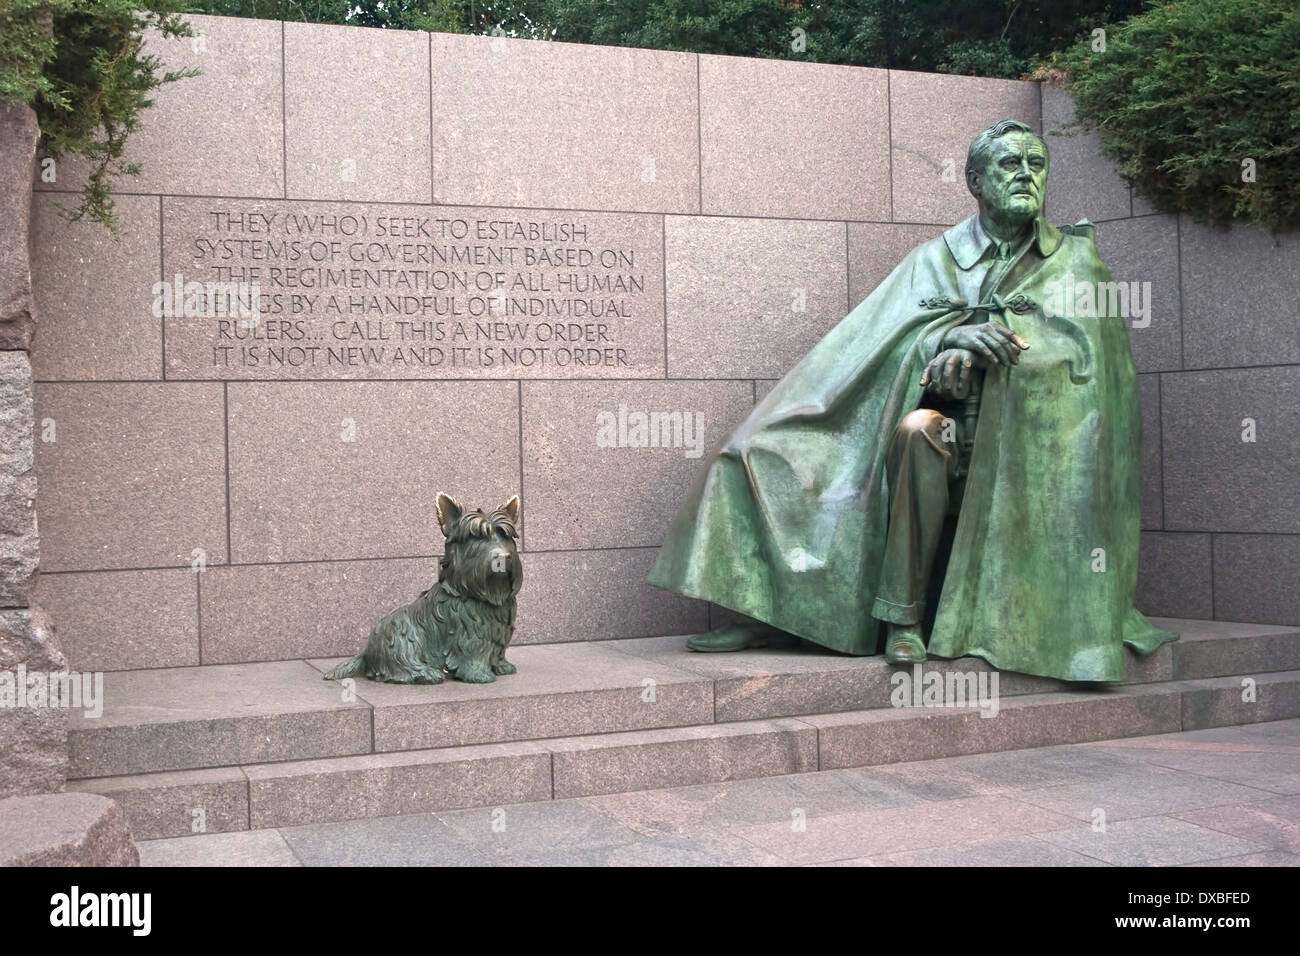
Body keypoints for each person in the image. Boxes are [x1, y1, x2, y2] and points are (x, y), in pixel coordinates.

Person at [647, 119, 1176, 682]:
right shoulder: (934, 259)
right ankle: (813, 614)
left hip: (1027, 445)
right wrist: (940, 341)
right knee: (773, 448)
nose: (1026, 175)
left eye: (1036, 164)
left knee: (921, 434)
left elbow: (1091, 374)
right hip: (934, 427)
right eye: (1009, 165)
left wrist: (983, 357)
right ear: (975, 181)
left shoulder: (1075, 262)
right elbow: (868, 344)